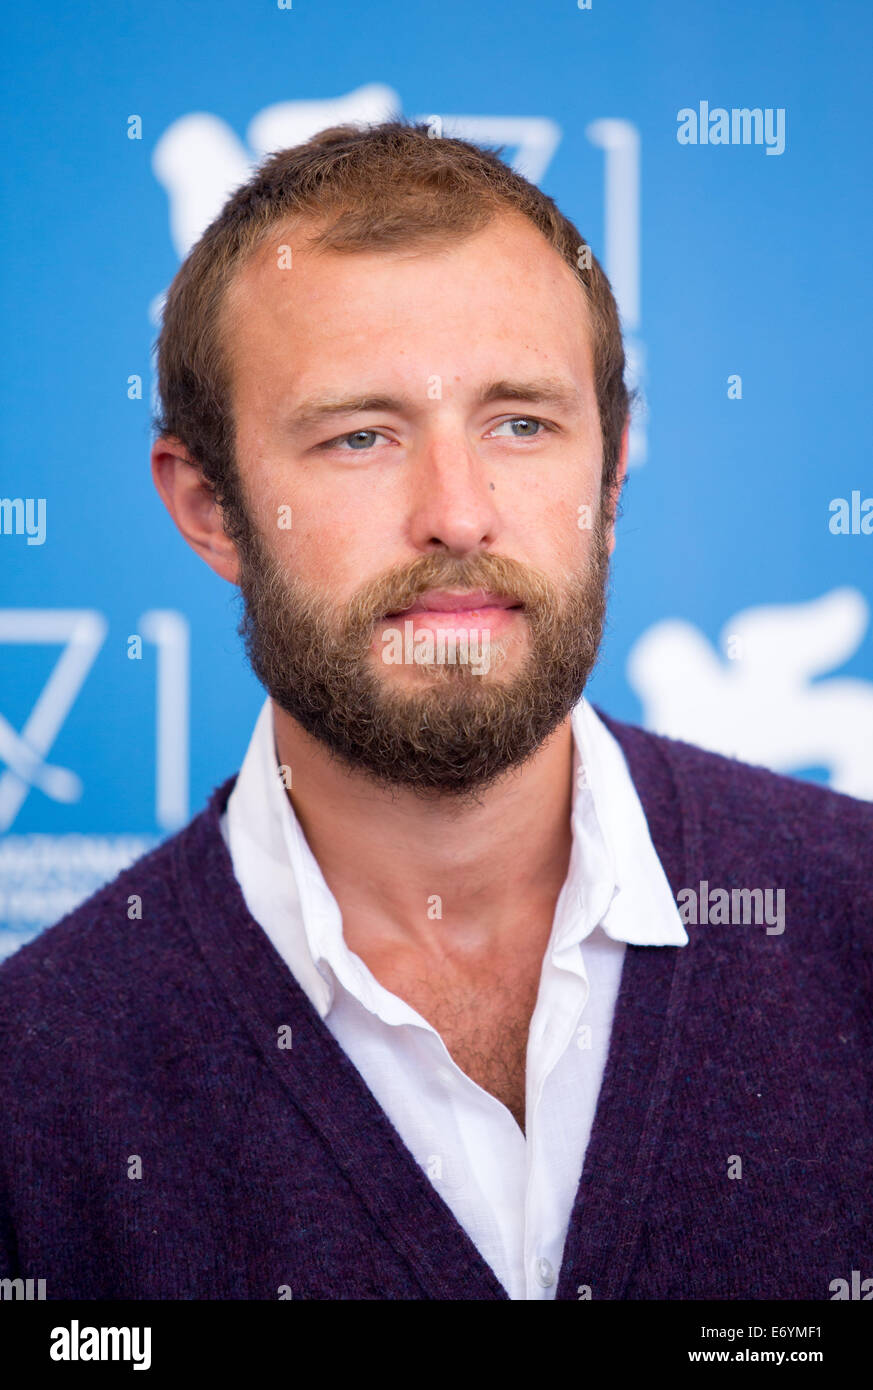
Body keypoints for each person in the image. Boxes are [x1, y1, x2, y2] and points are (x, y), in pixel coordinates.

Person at [1, 120, 870, 1302]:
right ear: (209, 509)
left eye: (521, 423)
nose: (459, 514)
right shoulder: (33, 1082)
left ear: (608, 485)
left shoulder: (852, 921)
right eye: (361, 436)